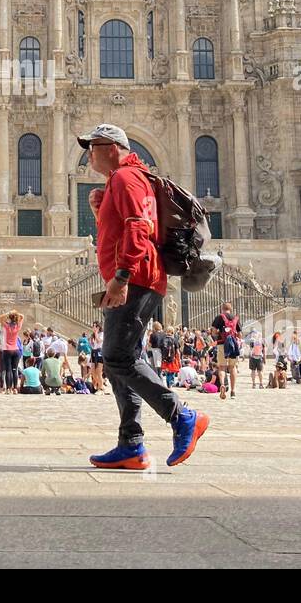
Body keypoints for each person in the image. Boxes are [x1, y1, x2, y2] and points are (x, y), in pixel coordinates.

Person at [79, 123, 207, 470]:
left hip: (135, 278)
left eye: (92, 147)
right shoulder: (127, 179)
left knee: (117, 357)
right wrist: (98, 211)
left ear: (111, 148)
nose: (88, 154)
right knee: (123, 359)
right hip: (138, 277)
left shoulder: (125, 178)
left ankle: (182, 417)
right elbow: (127, 226)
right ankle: (131, 443)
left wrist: (120, 278)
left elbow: (139, 227)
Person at [0, 310, 24, 394]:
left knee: (8, 370)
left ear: (9, 318)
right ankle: (15, 388)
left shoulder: (6, 326)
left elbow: (1, 317)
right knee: (14, 370)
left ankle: (8, 389)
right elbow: (22, 316)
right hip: (15, 350)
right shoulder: (17, 326)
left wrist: (9, 313)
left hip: (7, 350)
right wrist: (16, 314)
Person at [89, 322, 105, 393]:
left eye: (94, 326)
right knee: (92, 371)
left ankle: (100, 387)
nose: (93, 328)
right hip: (94, 351)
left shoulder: (102, 334)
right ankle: (100, 384)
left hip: (100, 352)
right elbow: (93, 345)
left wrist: (95, 333)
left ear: (98, 327)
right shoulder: (93, 335)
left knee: (99, 371)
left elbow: (99, 341)